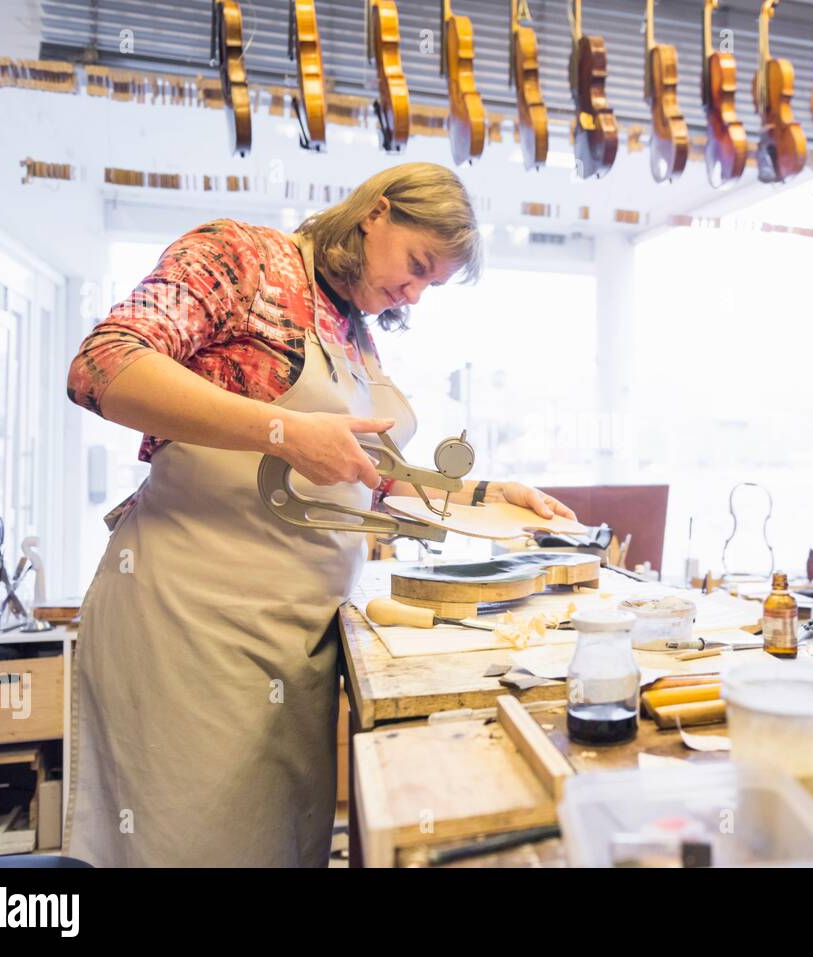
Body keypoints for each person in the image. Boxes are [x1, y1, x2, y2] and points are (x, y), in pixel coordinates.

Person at [63, 162, 576, 866]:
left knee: (275, 847)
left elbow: (368, 478)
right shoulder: (239, 258)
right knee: (188, 844)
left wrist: (489, 494)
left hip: (296, 641)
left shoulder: (354, 332)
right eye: (417, 265)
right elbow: (101, 365)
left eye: (432, 285)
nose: (415, 294)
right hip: (192, 626)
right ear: (377, 212)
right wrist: (282, 431)